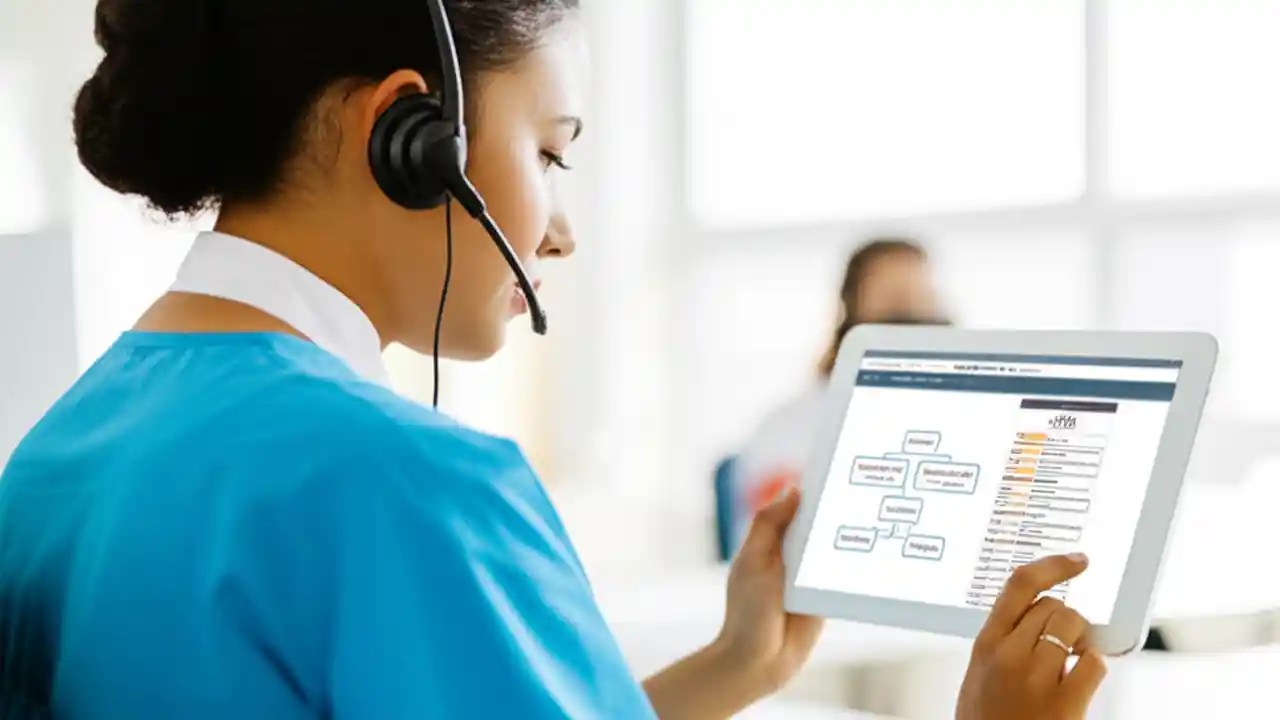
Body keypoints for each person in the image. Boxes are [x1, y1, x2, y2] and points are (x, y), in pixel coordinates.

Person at [0, 2, 1105, 718]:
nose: (560, 231)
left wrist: (737, 668)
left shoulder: (57, 455)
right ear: (408, 137)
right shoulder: (407, 483)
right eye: (548, 152)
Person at [734, 239, 947, 543]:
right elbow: (778, 528)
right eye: (895, 299)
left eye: (924, 299)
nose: (915, 315)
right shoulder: (790, 423)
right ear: (852, 311)